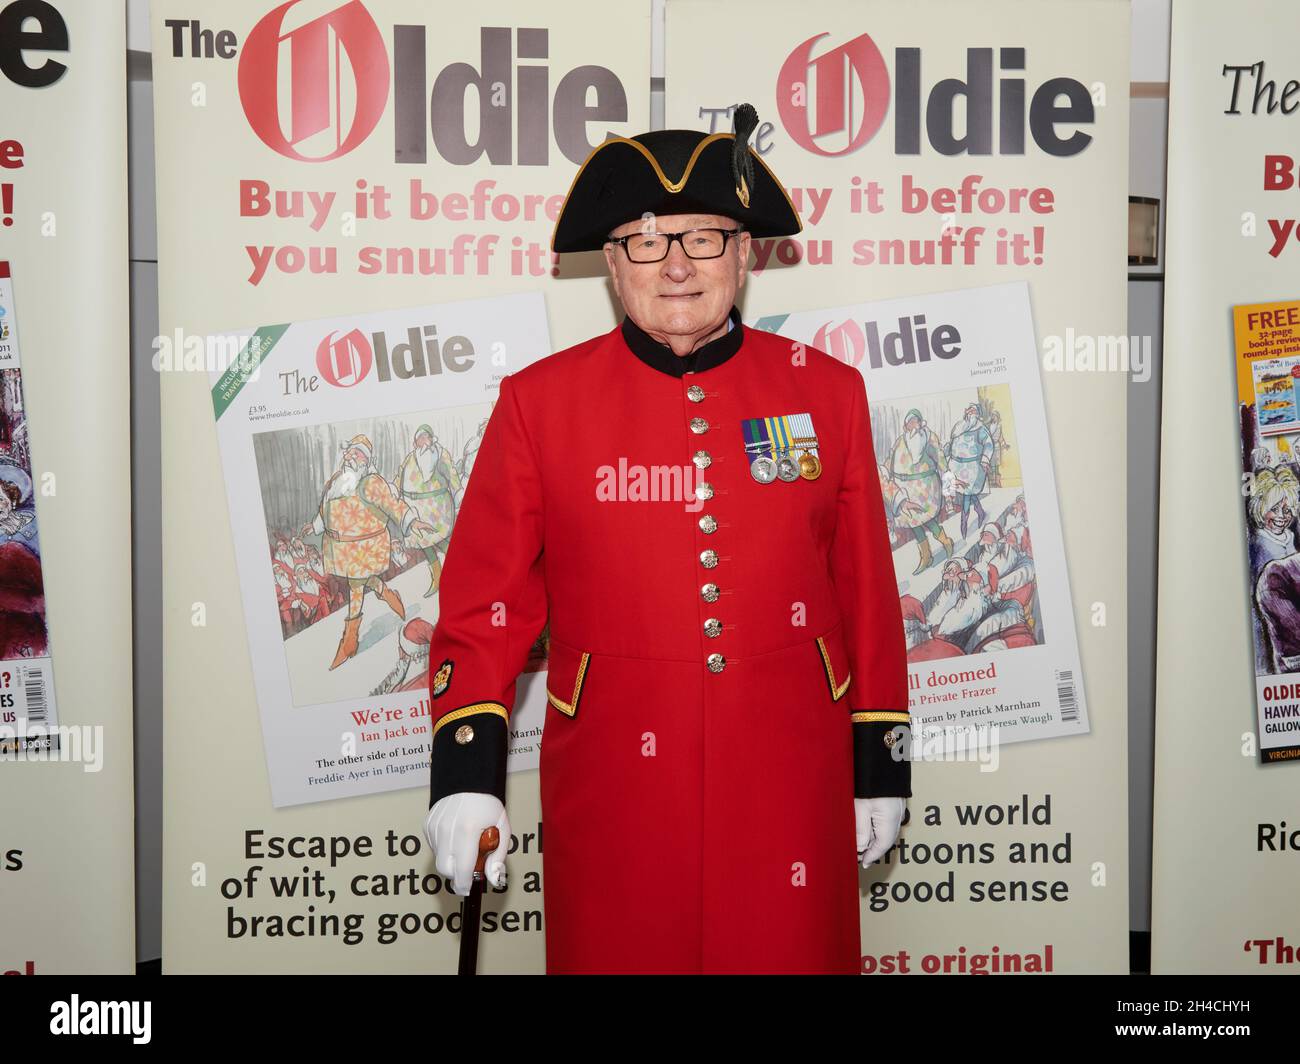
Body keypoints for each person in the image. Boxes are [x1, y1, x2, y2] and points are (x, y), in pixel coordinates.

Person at [421, 104, 911, 974]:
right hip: (614, 778)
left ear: (747, 253)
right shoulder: (539, 404)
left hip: (793, 774)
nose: (677, 263)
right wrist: (466, 769)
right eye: (647, 240)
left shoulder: (829, 394)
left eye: (706, 237)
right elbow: (485, 601)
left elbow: (867, 586)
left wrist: (880, 761)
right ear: (613, 264)